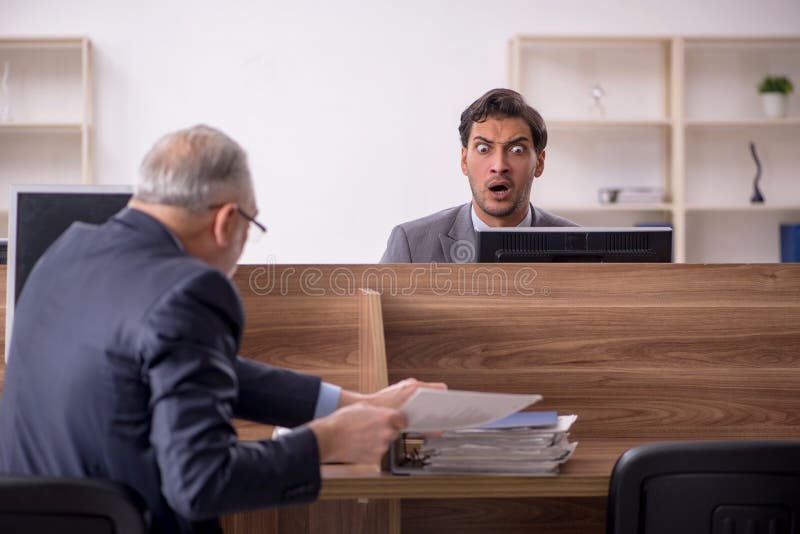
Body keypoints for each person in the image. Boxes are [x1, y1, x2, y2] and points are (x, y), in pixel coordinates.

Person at [0, 125, 444, 534]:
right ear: (227, 220)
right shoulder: (190, 288)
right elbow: (202, 482)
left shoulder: (66, 251)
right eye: (252, 226)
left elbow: (181, 363)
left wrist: (347, 404)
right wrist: (327, 441)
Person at [380, 88, 576, 263]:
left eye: (516, 149)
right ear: (464, 160)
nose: (499, 166)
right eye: (483, 148)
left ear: (539, 163)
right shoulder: (411, 245)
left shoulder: (579, 246)